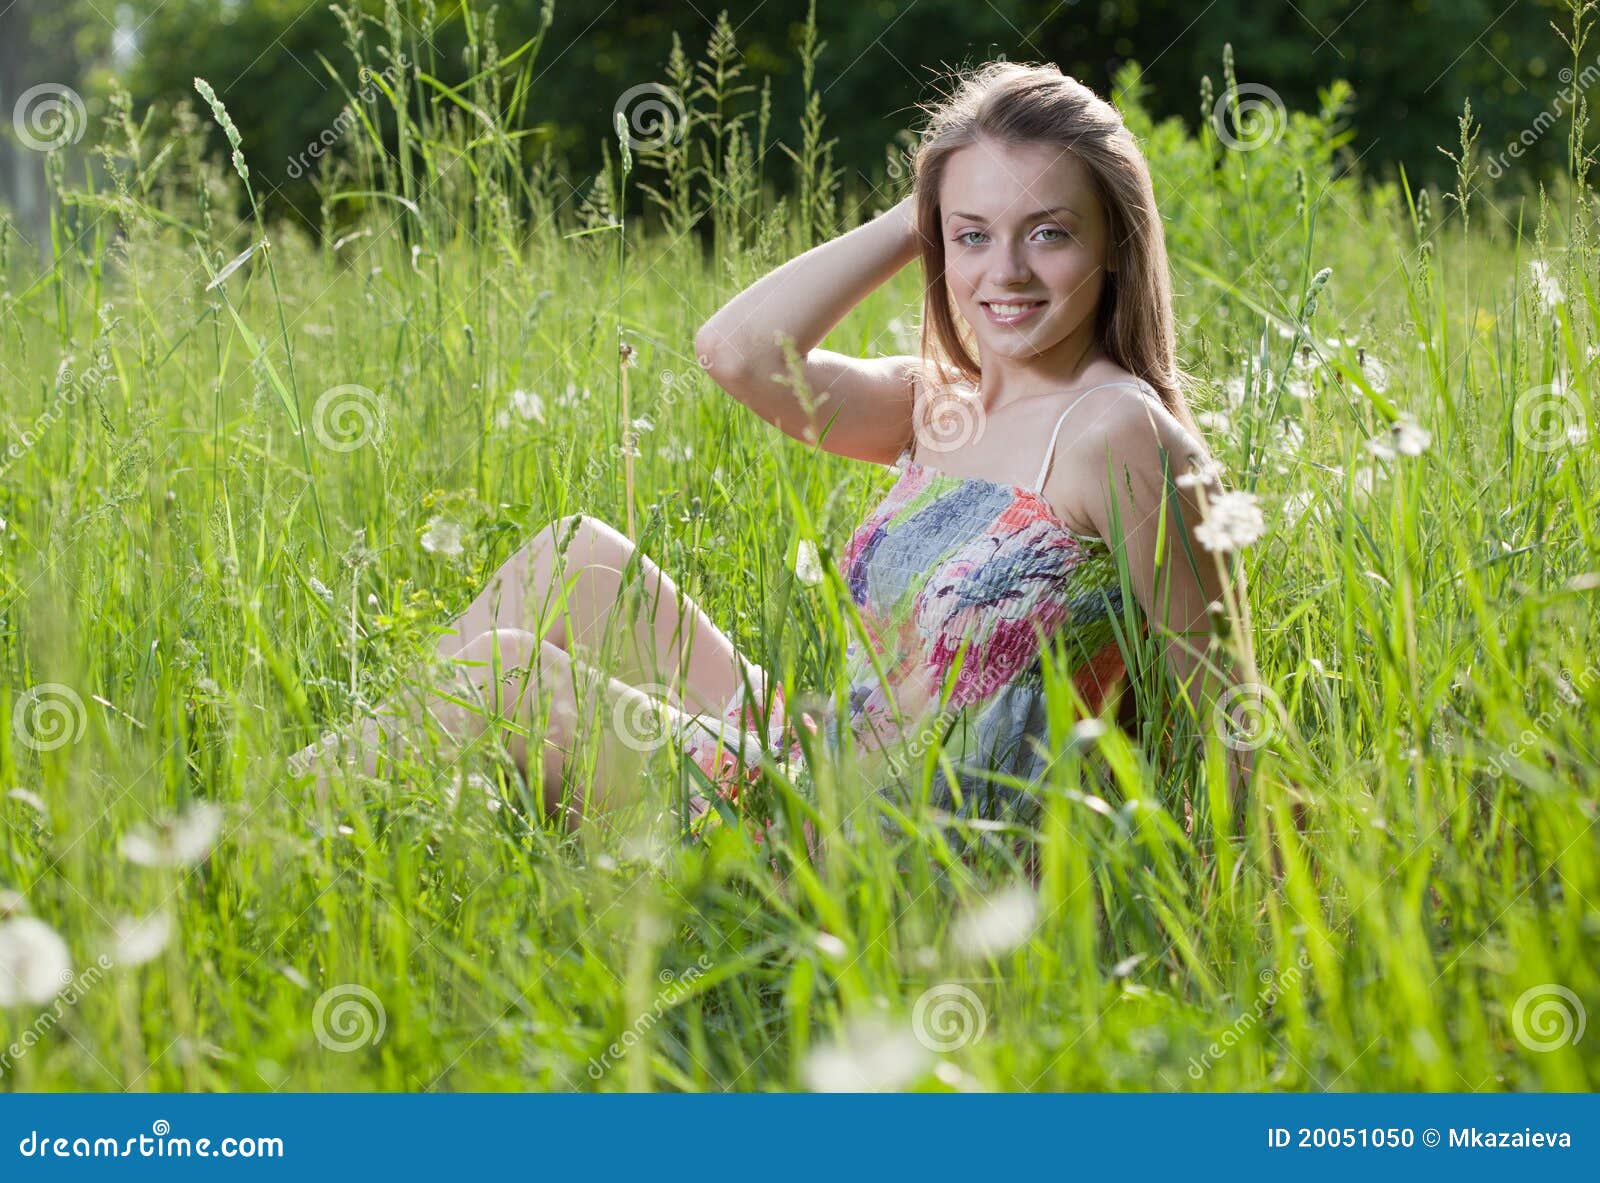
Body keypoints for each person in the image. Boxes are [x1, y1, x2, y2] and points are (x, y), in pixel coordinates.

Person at [290, 60, 1252, 846]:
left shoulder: (1116, 434)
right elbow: (739, 353)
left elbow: (1224, 704)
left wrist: (1228, 903)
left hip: (895, 842)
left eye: (1048, 233)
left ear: (1114, 246)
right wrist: (921, 205)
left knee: (506, 677)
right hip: (831, 751)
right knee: (574, 556)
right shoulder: (940, 406)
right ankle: (323, 817)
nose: (1003, 272)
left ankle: (246, 849)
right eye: (972, 236)